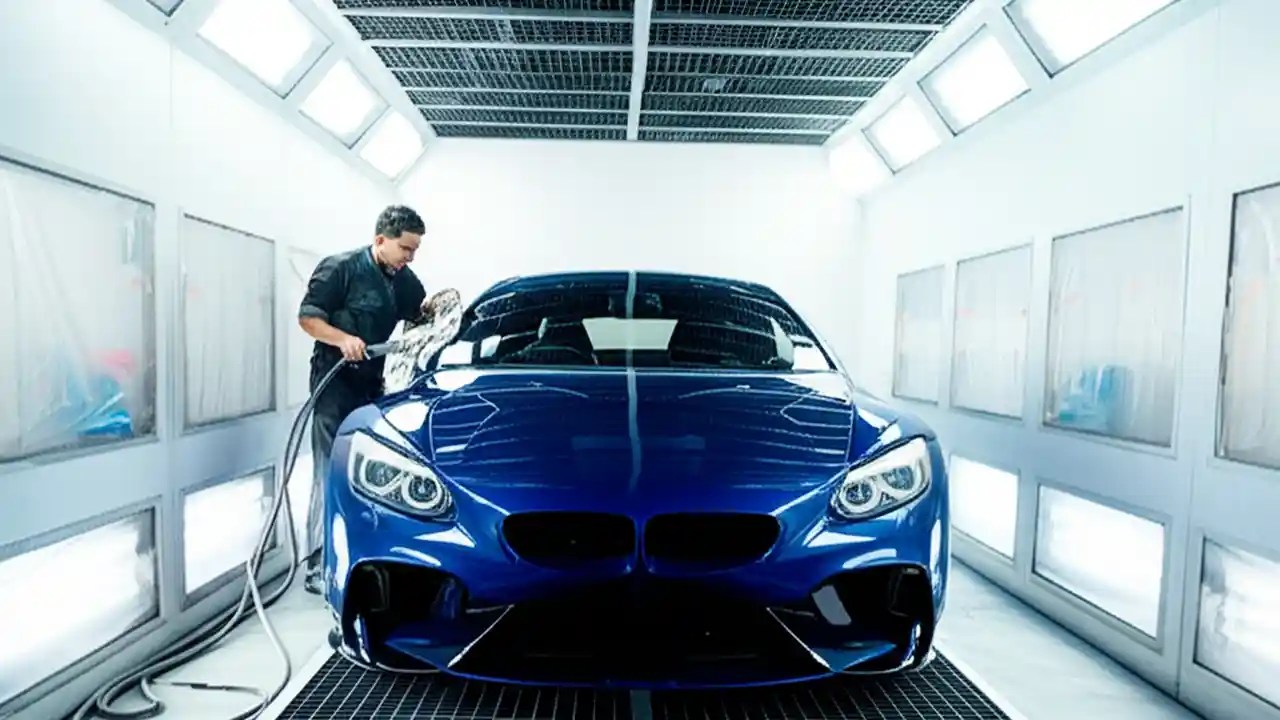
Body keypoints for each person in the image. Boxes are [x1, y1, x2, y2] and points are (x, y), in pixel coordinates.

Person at [297, 205, 428, 593]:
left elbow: (421, 320)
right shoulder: (340, 269)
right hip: (334, 384)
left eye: (415, 250)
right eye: (405, 248)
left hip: (373, 387)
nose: (410, 257)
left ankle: (363, 558)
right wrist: (343, 339)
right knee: (331, 470)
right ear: (380, 240)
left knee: (371, 470)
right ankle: (319, 566)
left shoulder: (406, 281)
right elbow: (308, 318)